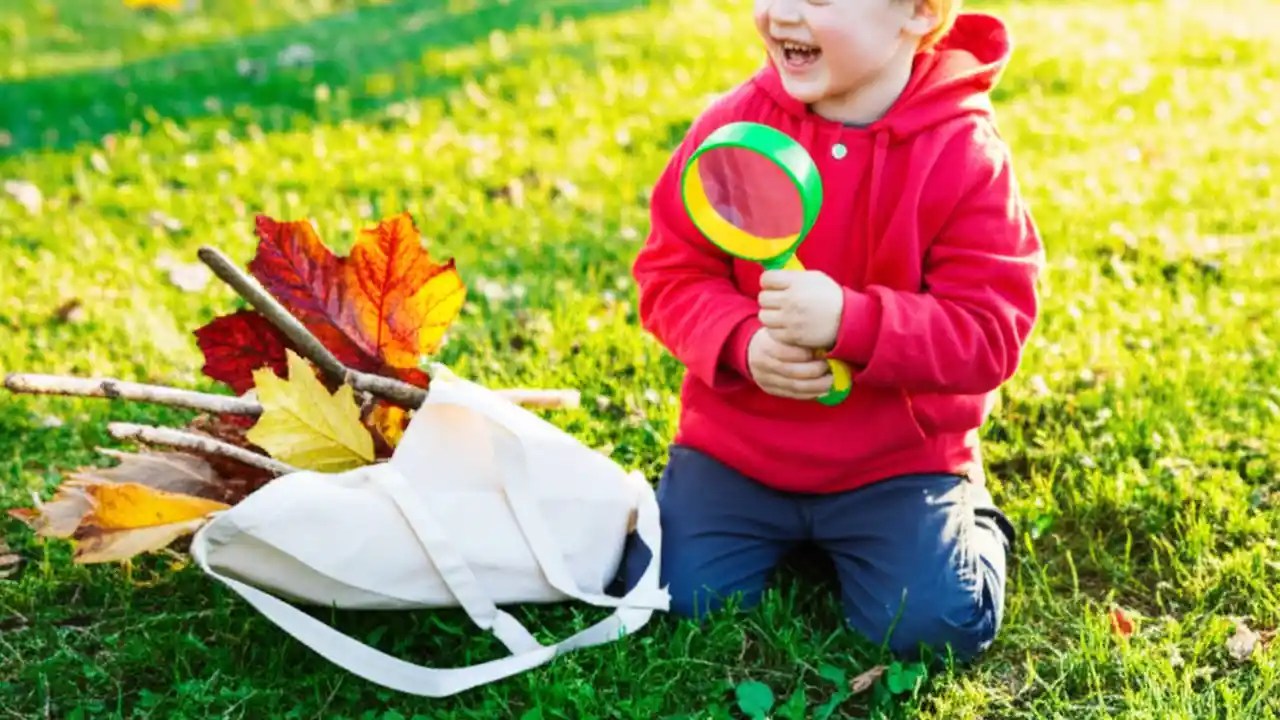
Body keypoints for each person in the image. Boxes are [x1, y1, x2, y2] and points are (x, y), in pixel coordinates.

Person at [628, 0, 1044, 663]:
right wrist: (740, 341)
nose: (782, 14)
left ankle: (970, 517)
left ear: (918, 12)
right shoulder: (733, 128)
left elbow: (989, 331)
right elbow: (670, 272)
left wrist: (855, 323)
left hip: (896, 466)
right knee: (666, 595)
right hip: (738, 454)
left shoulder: (962, 153)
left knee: (932, 627)